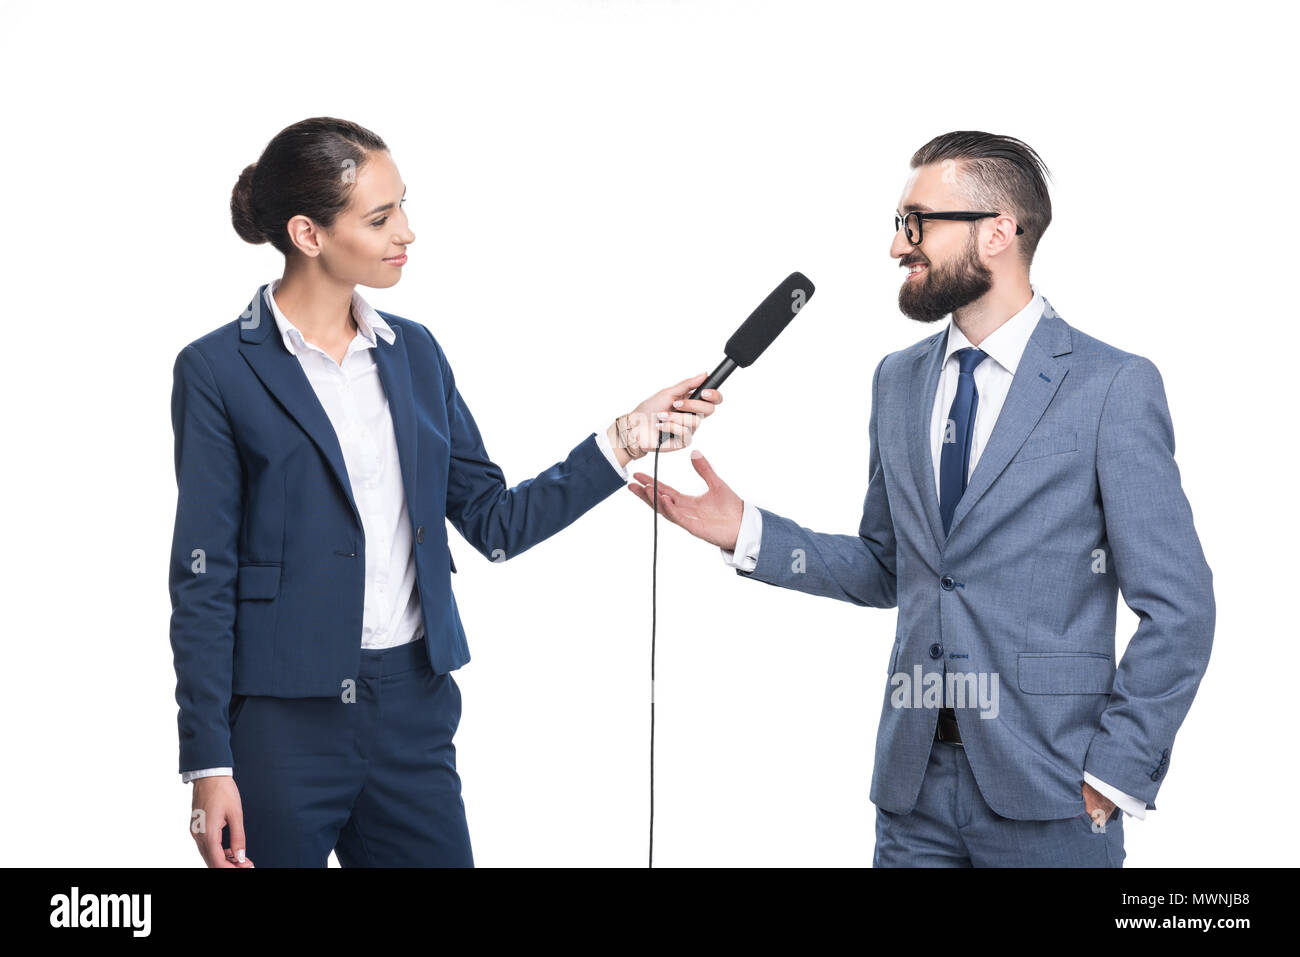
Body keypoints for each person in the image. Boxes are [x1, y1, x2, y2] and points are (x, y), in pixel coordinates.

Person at [627, 131, 1214, 867]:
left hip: (1052, 791)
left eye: (918, 221)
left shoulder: (1111, 387)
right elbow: (889, 567)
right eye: (898, 223)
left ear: (999, 232)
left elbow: (1182, 605)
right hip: (913, 794)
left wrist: (1115, 771)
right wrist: (747, 530)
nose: (898, 245)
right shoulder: (896, 380)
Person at [169, 116, 723, 867]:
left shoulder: (416, 353)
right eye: (380, 216)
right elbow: (204, 578)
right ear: (308, 234)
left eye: (402, 204)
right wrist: (209, 762)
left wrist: (626, 435)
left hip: (411, 709)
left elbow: (496, 520)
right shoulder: (216, 370)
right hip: (280, 725)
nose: (408, 230)